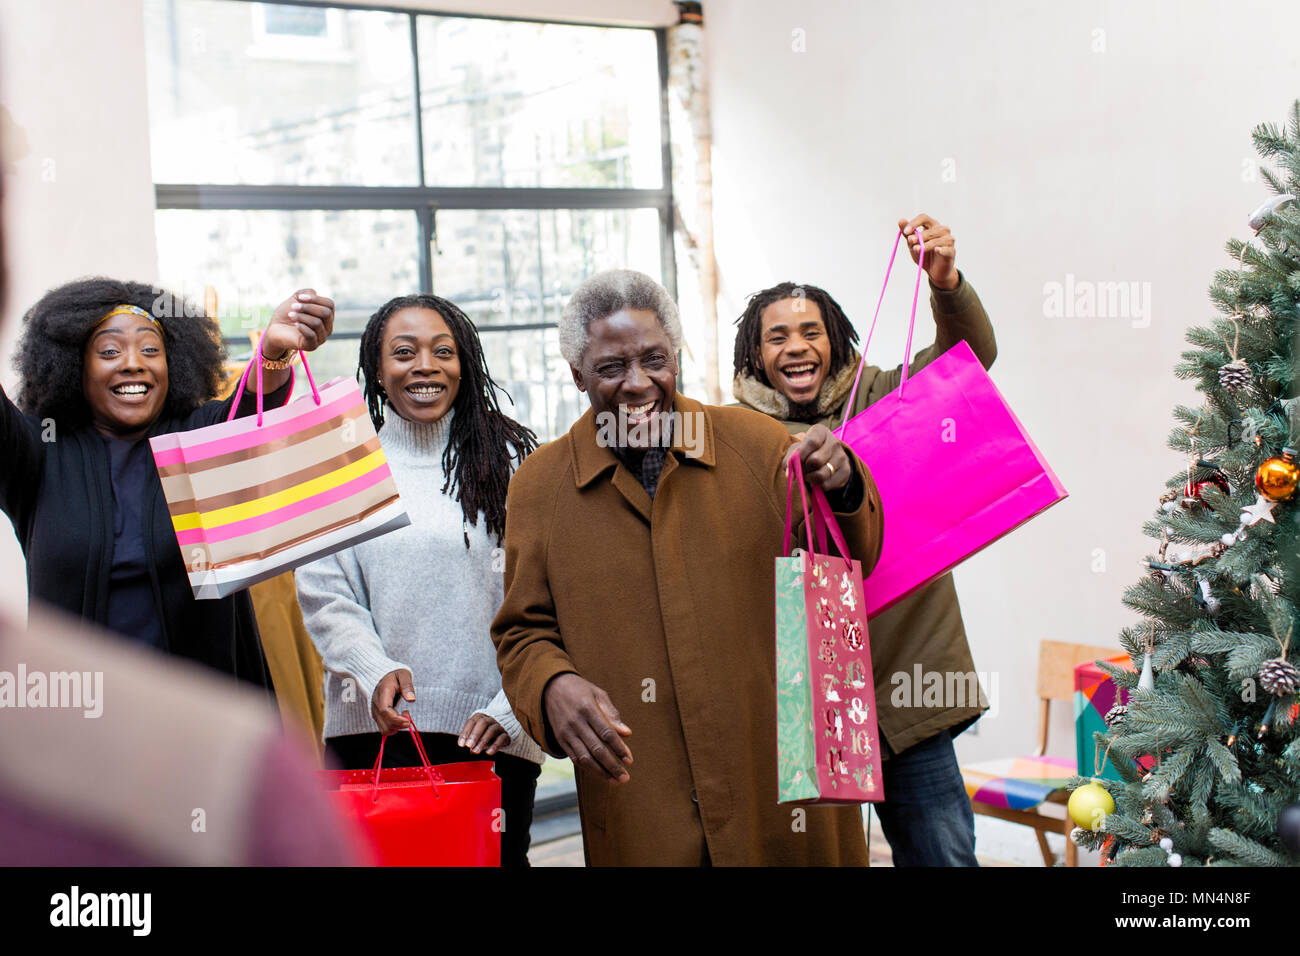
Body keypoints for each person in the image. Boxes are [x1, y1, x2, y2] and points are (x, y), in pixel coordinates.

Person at [491, 269, 884, 866]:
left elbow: (847, 562)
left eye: (655, 359)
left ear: (675, 355)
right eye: (610, 368)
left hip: (779, 776)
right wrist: (551, 684)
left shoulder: (754, 443)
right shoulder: (540, 487)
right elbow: (522, 630)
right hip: (642, 794)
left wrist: (848, 482)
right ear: (577, 375)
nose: (638, 383)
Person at [730, 213, 997, 866]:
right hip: (805, 692)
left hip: (909, 682)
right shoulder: (736, 434)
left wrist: (945, 282)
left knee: (941, 854)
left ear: (836, 340)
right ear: (755, 354)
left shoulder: (888, 394)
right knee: (817, 858)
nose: (796, 347)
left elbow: (970, 359)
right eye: (777, 337)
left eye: (811, 331)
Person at [297, 294, 546, 867]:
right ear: (378, 370)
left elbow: (546, 597)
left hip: (493, 735)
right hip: (371, 735)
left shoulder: (514, 460)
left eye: (443, 351)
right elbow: (324, 593)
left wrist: (516, 707)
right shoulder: (344, 464)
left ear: (466, 363)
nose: (425, 366)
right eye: (404, 352)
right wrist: (374, 670)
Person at [1, 277, 335, 685]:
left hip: (201, 716)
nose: (132, 363)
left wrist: (274, 350)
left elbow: (247, 412)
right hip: (77, 722)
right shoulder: (41, 445)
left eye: (150, 350)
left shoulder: (197, 435)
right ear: (75, 365)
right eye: (109, 351)